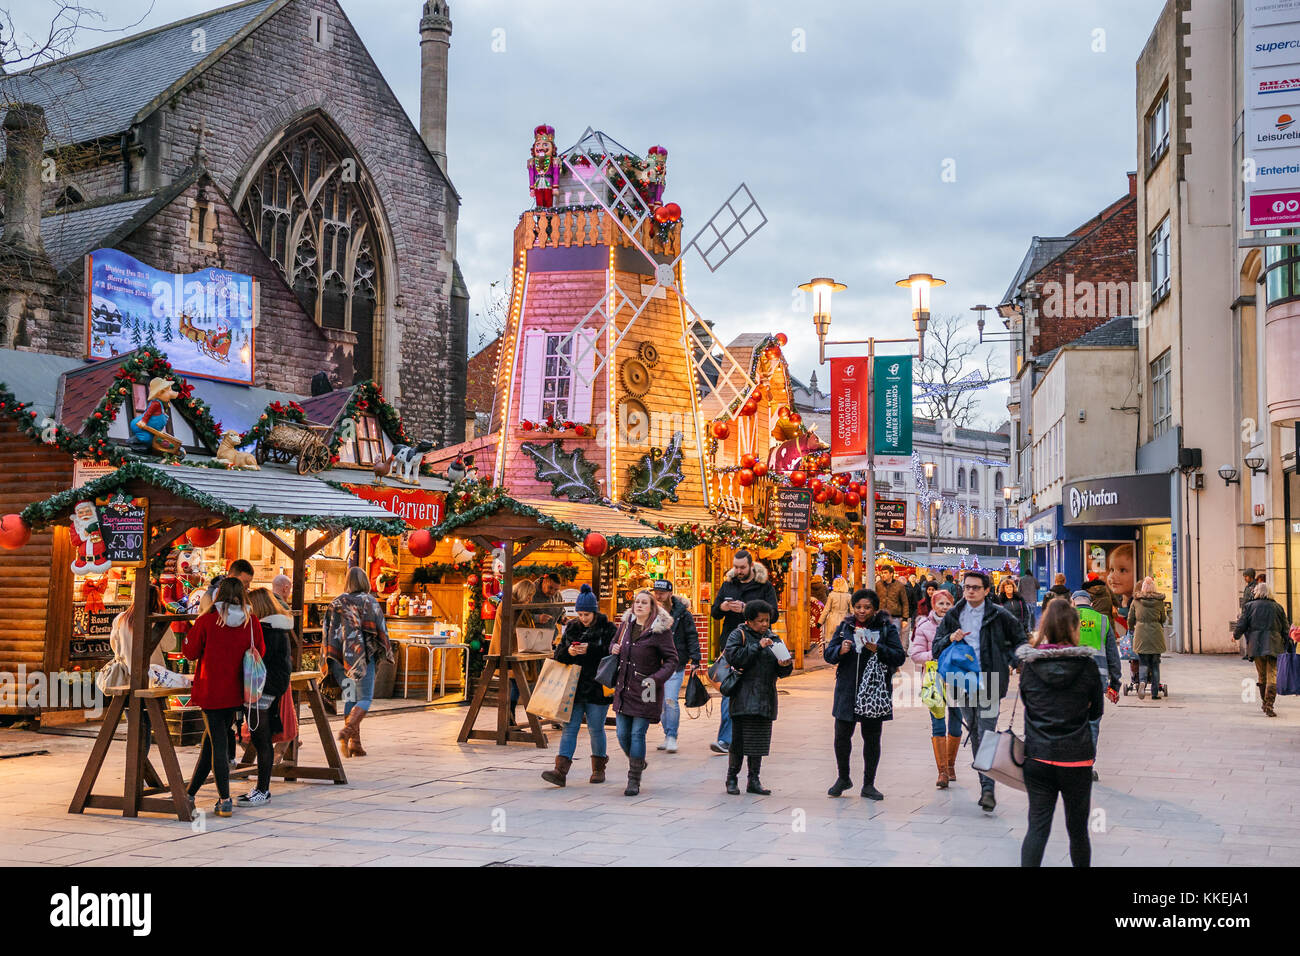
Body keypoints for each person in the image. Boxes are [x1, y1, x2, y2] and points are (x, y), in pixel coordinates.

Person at [1016, 598, 1104, 868]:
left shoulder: (1030, 665)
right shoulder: (1087, 666)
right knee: (1077, 831)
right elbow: (1095, 712)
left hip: (1038, 757)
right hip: (1075, 758)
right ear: (1074, 627)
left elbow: (1028, 703)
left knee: (1037, 828)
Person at [932, 569, 1028, 812]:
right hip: (961, 681)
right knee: (975, 731)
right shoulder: (954, 615)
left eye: (976, 587)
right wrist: (950, 639)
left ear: (987, 590)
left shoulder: (1000, 615)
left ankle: (987, 789)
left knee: (985, 732)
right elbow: (936, 647)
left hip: (990, 680)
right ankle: (986, 782)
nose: (971, 591)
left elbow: (1019, 640)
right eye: (967, 587)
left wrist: (1016, 660)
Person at [183, 577, 264, 818]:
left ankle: (224, 799)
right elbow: (260, 650)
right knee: (212, 741)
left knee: (217, 744)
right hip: (237, 691)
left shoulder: (208, 620)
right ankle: (189, 792)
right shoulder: (252, 622)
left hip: (210, 689)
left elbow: (189, 651)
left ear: (218, 595)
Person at [824, 588, 906, 800]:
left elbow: (899, 657)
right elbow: (829, 654)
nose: (862, 611)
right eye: (858, 607)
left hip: (873, 690)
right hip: (847, 689)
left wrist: (877, 648)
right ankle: (843, 778)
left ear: (875, 609)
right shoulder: (845, 627)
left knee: (871, 738)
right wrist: (839, 651)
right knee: (841, 735)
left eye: (867, 607)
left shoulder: (886, 628)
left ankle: (869, 784)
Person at [543, 584, 615, 786]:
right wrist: (570, 653)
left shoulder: (608, 628)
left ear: (594, 611)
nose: (583, 618)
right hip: (573, 687)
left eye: (587, 614)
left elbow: (613, 653)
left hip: (598, 686)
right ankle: (560, 771)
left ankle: (598, 768)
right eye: (580, 614)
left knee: (596, 728)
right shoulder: (572, 627)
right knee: (570, 727)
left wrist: (590, 649)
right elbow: (559, 654)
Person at [609, 590, 679, 796]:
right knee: (622, 734)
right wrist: (613, 647)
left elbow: (672, 660)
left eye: (644, 603)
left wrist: (655, 679)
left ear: (652, 607)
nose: (639, 605)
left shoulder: (660, 631)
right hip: (624, 688)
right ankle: (638, 762)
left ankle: (634, 779)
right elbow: (613, 644)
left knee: (637, 734)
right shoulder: (625, 626)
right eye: (636, 602)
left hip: (646, 689)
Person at [723, 600, 793, 795]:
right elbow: (735, 658)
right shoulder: (739, 635)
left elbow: (783, 672)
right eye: (760, 620)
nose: (764, 624)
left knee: (759, 741)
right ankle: (732, 778)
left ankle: (754, 779)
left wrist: (785, 664)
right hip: (743, 696)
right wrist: (758, 646)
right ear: (749, 621)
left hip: (765, 696)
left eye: (767, 620)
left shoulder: (774, 638)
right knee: (738, 741)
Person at [323, 566, 391, 757]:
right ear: (365, 582)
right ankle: (348, 731)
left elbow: (327, 629)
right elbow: (380, 629)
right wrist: (383, 650)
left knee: (350, 696)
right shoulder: (369, 602)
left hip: (338, 659)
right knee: (365, 698)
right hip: (361, 658)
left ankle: (355, 744)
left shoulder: (336, 602)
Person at [239, 588, 294, 806]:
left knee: (261, 738)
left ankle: (263, 789)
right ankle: (262, 788)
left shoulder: (266, 630)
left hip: (263, 688)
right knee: (261, 737)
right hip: (272, 685)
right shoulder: (279, 627)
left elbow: (259, 658)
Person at [103, 587, 169, 758]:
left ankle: (136, 769)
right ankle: (140, 769)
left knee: (135, 728)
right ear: (157, 599)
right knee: (147, 727)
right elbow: (170, 645)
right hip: (152, 682)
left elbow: (114, 646)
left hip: (126, 680)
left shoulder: (120, 619)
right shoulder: (158, 620)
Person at [908, 587, 960, 788]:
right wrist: (936, 657)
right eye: (941, 603)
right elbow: (916, 654)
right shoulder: (924, 626)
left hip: (956, 679)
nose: (944, 607)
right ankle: (942, 772)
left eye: (948, 604)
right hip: (934, 679)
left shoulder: (960, 625)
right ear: (933, 605)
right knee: (938, 723)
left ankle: (951, 764)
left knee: (956, 723)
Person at [1070, 590, 1120, 779]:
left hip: (1070, 678)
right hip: (1096, 678)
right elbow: (1112, 654)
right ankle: (1087, 766)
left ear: (1073, 602)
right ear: (1091, 603)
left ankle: (1070, 762)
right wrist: (1115, 682)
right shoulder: (1103, 620)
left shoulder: (1065, 618)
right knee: (1092, 722)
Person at [653, 580, 699, 754]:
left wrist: (696, 658)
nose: (658, 595)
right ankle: (667, 734)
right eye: (656, 592)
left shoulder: (682, 614)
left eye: (662, 592)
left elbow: (691, 635)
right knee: (662, 703)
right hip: (656, 664)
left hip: (675, 662)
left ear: (670, 593)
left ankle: (672, 735)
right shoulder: (652, 612)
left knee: (670, 700)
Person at [1235, 580, 1290, 718]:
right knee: (1272, 675)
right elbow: (1285, 628)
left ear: (1257, 592)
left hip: (1257, 645)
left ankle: (1265, 703)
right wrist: (1288, 644)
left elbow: (1242, 624)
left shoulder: (1249, 606)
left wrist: (1236, 635)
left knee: (1262, 675)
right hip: (1274, 645)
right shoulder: (1278, 607)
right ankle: (1269, 704)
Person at [711, 550, 781, 639]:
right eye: (736, 567)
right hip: (731, 641)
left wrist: (746, 609)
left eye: (742, 567)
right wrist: (722, 607)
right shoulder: (727, 584)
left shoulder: (765, 586)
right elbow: (714, 613)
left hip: (757, 641)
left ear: (751, 565)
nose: (739, 571)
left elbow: (774, 615)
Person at [1128, 577, 1166, 700]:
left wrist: (1131, 629)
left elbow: (1130, 618)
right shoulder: (1159, 601)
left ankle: (1142, 683)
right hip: (1156, 634)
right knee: (1155, 664)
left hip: (1141, 634)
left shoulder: (1136, 601)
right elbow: (1163, 618)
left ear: (1143, 587)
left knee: (1143, 663)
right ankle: (1154, 693)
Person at [876, 565, 911, 633]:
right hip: (881, 616)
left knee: (894, 637)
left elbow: (905, 602)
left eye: (885, 573)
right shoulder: (878, 584)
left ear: (891, 574)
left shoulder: (899, 586)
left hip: (895, 617)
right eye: (882, 573)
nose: (883, 575)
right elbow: (875, 600)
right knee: (881, 637)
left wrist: (905, 619)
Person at [818, 576, 852, 643]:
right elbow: (852, 610)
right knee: (843, 640)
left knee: (831, 641)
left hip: (832, 620)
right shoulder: (848, 596)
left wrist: (820, 622)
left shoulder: (831, 595)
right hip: (844, 620)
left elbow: (826, 609)